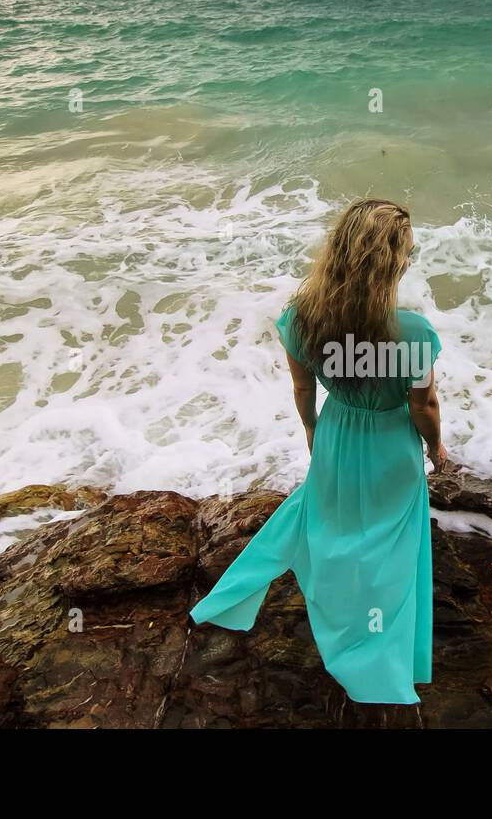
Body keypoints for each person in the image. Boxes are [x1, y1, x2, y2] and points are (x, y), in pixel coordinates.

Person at [188, 198, 450, 705]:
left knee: (335, 526)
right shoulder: (412, 333)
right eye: (408, 256)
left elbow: (304, 391)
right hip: (391, 444)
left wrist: (313, 432)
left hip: (337, 434)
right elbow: (425, 403)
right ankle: (380, 657)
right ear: (392, 263)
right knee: (389, 548)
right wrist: (437, 448)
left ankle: (336, 608)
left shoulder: (302, 318)